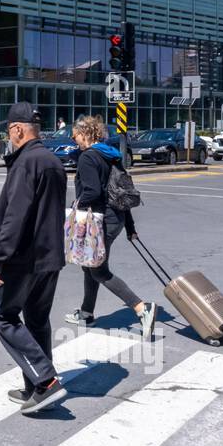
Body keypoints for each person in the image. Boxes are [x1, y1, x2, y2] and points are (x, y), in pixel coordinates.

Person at [0, 102, 69, 415]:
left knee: (3, 316)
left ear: (18, 129)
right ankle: (36, 385)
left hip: (23, 258)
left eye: (9, 130)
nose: (9, 135)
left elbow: (14, 216)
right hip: (50, 256)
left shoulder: (26, 162)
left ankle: (45, 381)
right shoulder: (52, 160)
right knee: (36, 320)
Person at [64, 115, 158, 340]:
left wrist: (75, 208)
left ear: (85, 134)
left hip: (100, 220)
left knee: (98, 269)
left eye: (75, 135)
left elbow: (93, 192)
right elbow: (120, 191)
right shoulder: (111, 155)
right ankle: (86, 313)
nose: (74, 139)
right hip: (115, 218)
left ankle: (140, 307)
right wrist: (129, 226)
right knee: (89, 263)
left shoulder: (88, 157)